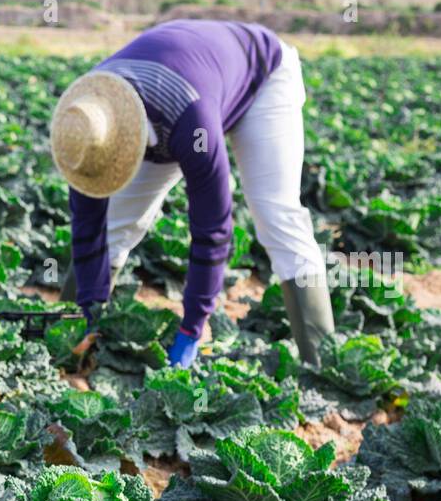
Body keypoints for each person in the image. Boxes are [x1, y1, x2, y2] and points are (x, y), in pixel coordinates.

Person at [52, 19, 335, 366]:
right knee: (115, 224)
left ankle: (323, 361)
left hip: (260, 76)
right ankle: (69, 341)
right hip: (178, 86)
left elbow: (212, 230)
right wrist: (87, 312)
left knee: (275, 215)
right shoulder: (88, 122)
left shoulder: (193, 126)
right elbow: (88, 227)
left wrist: (192, 329)